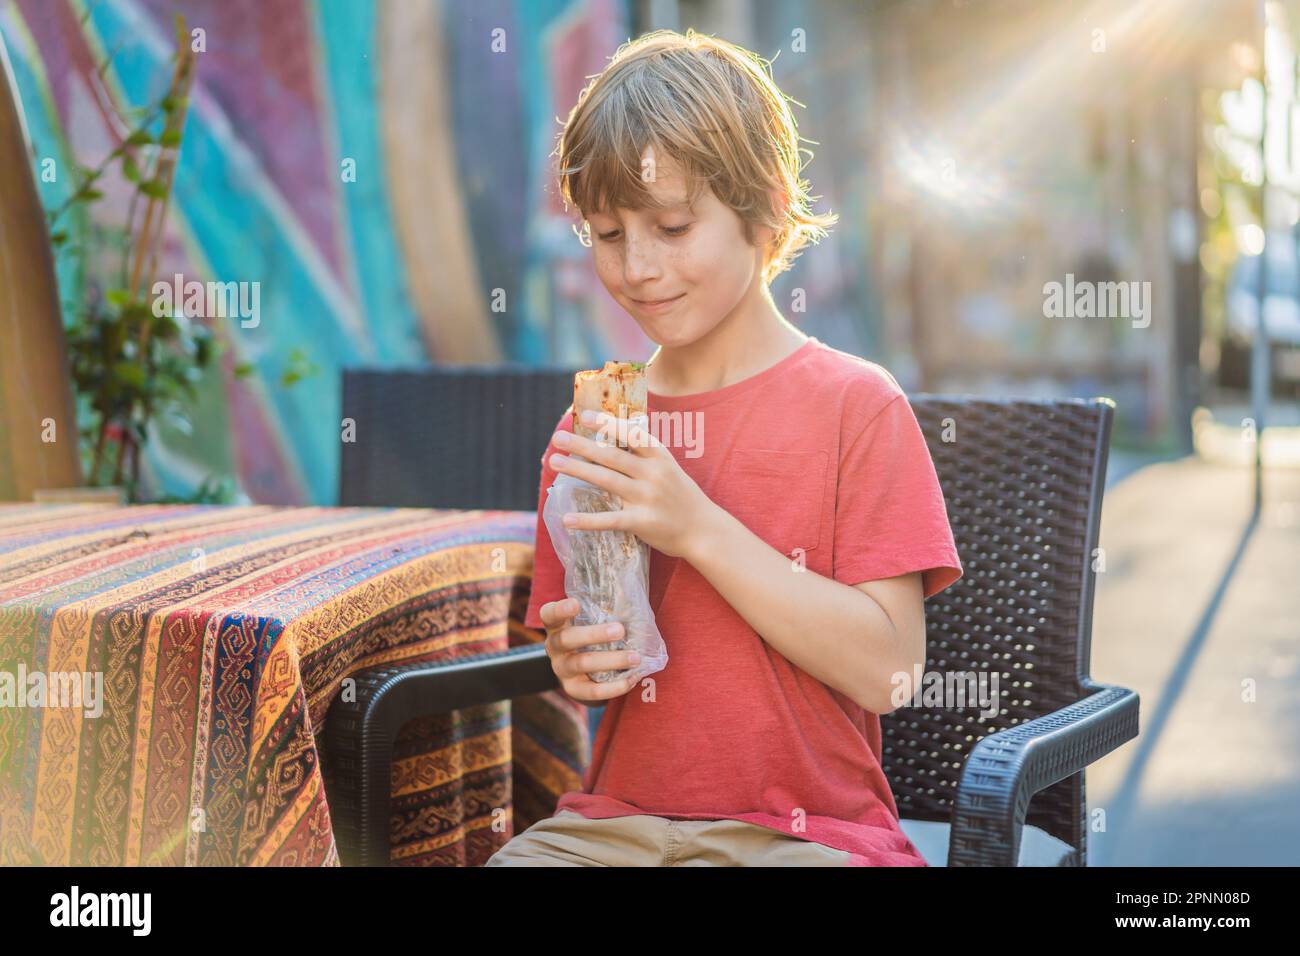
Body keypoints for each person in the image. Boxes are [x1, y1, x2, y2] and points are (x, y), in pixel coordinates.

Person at [486, 28, 963, 867]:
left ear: (768, 208)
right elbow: (587, 664)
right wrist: (575, 659)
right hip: (615, 826)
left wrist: (695, 526)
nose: (637, 268)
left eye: (672, 226)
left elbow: (890, 672)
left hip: (806, 835)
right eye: (605, 234)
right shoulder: (591, 432)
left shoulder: (857, 407)